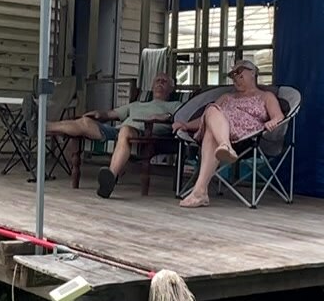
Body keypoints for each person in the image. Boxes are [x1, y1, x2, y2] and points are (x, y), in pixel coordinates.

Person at [46, 74, 183, 198]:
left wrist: (165, 116)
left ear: (172, 88)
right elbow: (111, 114)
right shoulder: (137, 104)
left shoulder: (175, 105)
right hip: (119, 132)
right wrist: (99, 114)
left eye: (164, 81)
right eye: (157, 80)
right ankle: (43, 126)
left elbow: (182, 118)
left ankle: (110, 178)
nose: (160, 83)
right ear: (152, 86)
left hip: (145, 135)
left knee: (125, 130)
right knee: (85, 122)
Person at [173, 59, 283, 208]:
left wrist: (273, 121)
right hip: (222, 133)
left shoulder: (266, 96)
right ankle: (223, 148)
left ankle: (200, 192)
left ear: (253, 73)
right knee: (211, 111)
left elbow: (279, 116)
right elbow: (206, 118)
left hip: (246, 136)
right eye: (233, 75)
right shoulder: (227, 97)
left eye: (239, 73)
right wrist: (185, 125)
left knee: (211, 130)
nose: (235, 78)